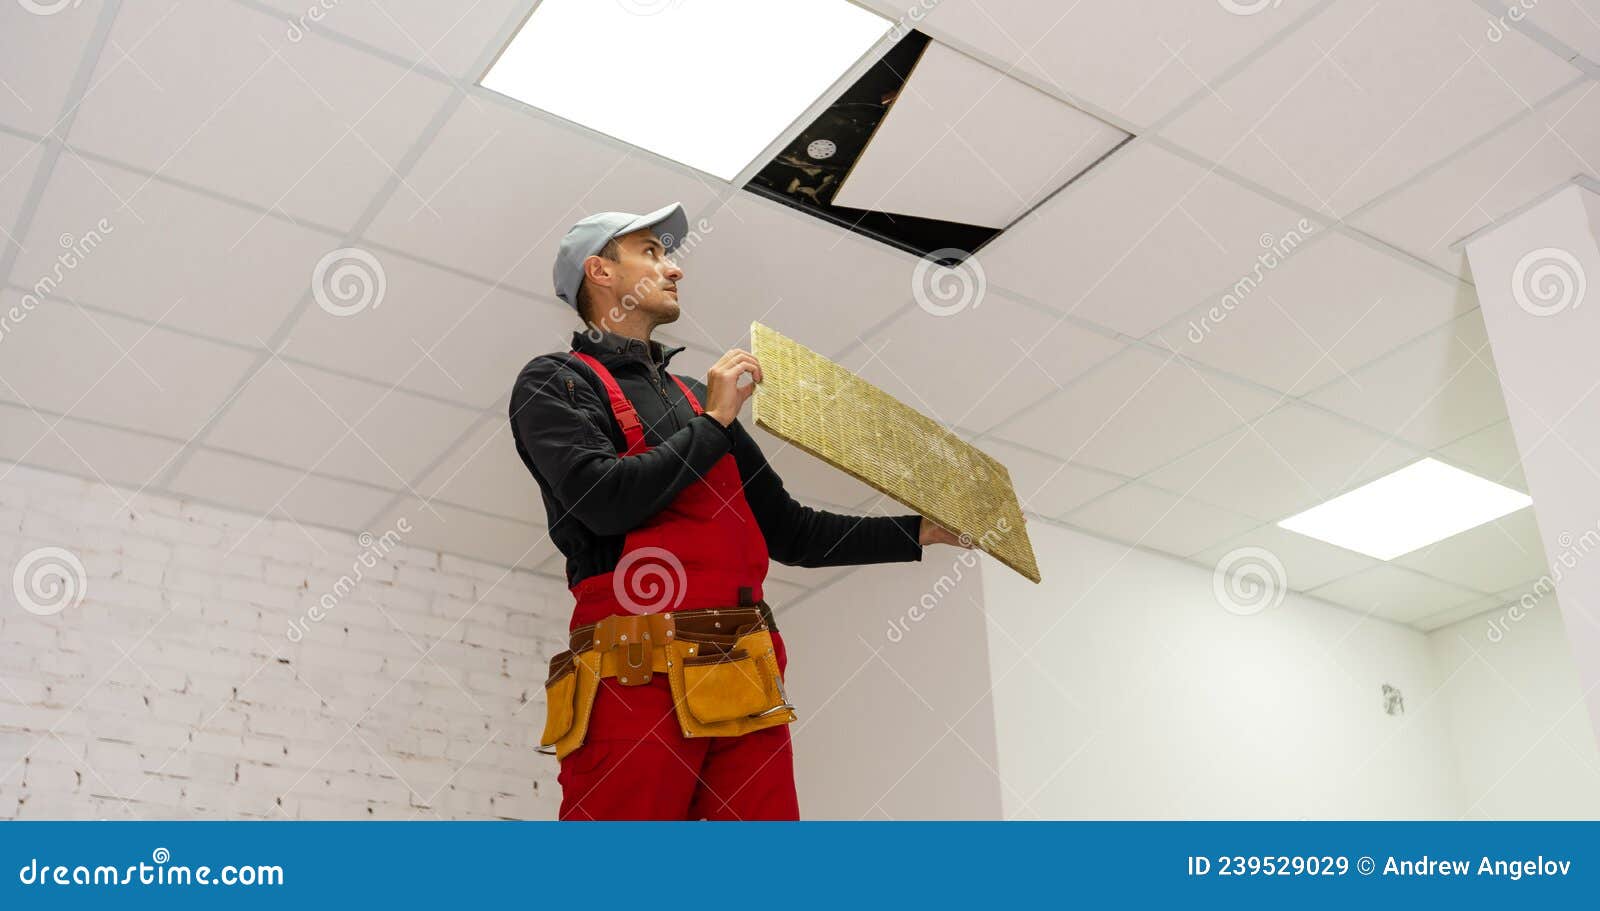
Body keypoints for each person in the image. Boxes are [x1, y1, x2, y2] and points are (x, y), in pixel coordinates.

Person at [508, 202, 968, 820]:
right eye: (651, 252)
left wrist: (920, 530)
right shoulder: (556, 382)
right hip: (634, 674)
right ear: (600, 272)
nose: (674, 270)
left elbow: (793, 531)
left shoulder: (693, 397)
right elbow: (605, 501)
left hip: (742, 671)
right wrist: (717, 422)